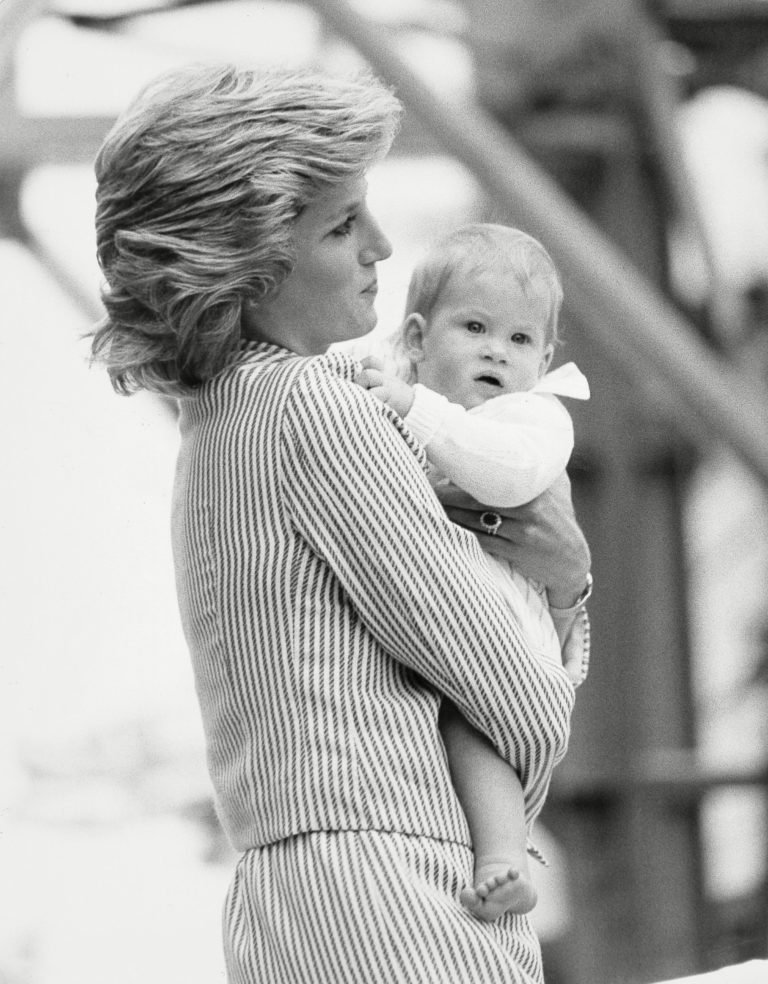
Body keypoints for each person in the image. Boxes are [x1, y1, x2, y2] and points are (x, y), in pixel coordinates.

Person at [90, 63, 592, 983]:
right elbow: (516, 701)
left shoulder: (222, 424)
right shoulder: (315, 412)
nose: (384, 246)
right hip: (400, 894)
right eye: (341, 223)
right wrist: (564, 590)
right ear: (250, 263)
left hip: (293, 899)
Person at [356, 223, 590, 922]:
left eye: (521, 341)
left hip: (503, 634)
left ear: (544, 357)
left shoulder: (534, 417)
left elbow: (503, 474)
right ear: (420, 339)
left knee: (473, 730)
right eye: (476, 327)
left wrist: (415, 409)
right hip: (443, 622)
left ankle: (503, 859)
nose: (497, 349)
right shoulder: (400, 393)